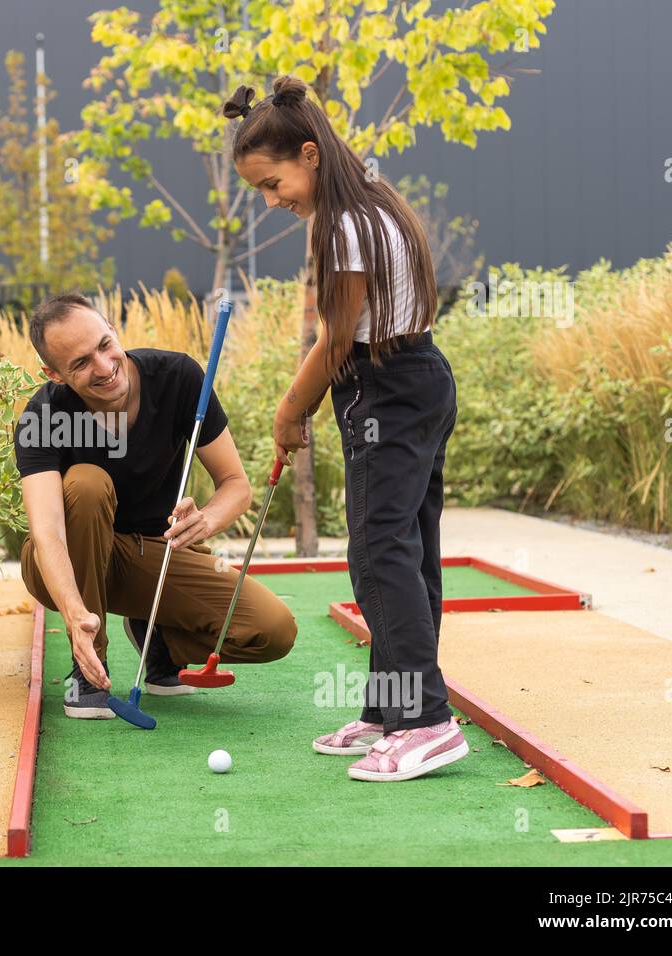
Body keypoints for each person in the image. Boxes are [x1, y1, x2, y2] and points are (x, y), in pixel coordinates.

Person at [224, 76, 469, 781]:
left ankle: (426, 721)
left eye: (273, 184)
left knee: (378, 553)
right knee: (405, 549)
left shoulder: (342, 224)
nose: (273, 201)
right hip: (414, 378)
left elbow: (334, 341)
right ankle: (392, 707)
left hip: (385, 388)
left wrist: (286, 410)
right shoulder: (373, 203)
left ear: (309, 154)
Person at [14, 294, 297, 718]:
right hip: (65, 563)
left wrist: (206, 521)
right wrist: (74, 616)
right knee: (87, 484)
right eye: (80, 364)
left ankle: (161, 638)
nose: (105, 367)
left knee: (271, 630)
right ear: (53, 374)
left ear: (113, 328)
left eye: (105, 345)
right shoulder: (44, 415)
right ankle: (88, 665)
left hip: (150, 555)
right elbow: (47, 531)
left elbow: (236, 485)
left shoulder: (178, 377)